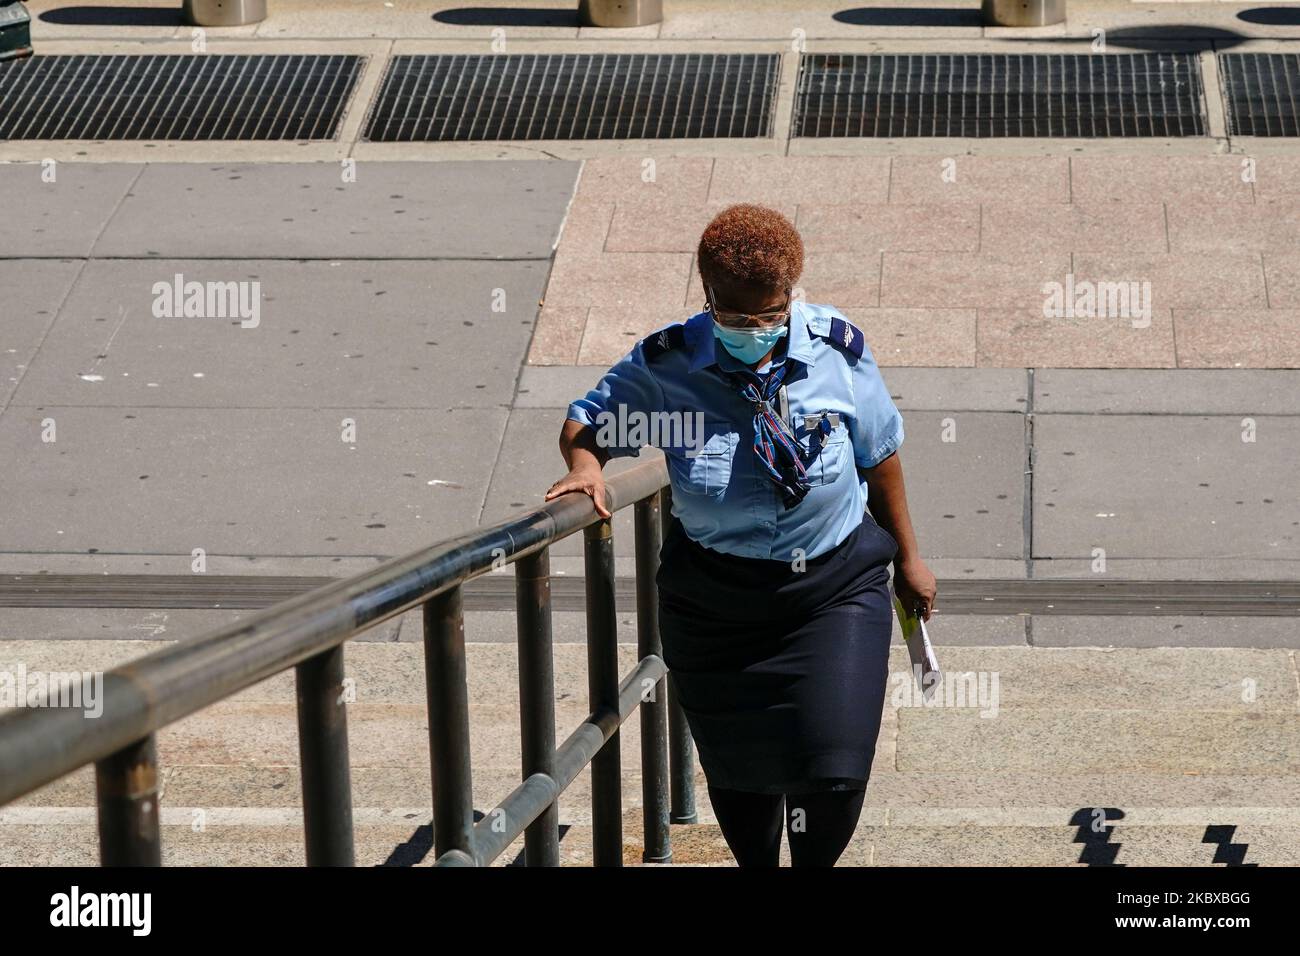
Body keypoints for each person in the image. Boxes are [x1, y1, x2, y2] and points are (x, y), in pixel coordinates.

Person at [545, 203, 936, 867]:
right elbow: (590, 423)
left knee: (833, 769)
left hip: (834, 587)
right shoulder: (670, 365)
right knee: (742, 779)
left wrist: (910, 558)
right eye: (734, 315)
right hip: (715, 603)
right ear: (709, 298)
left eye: (767, 313)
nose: (752, 329)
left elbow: (879, 451)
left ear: (791, 294)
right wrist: (586, 469)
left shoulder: (839, 350)